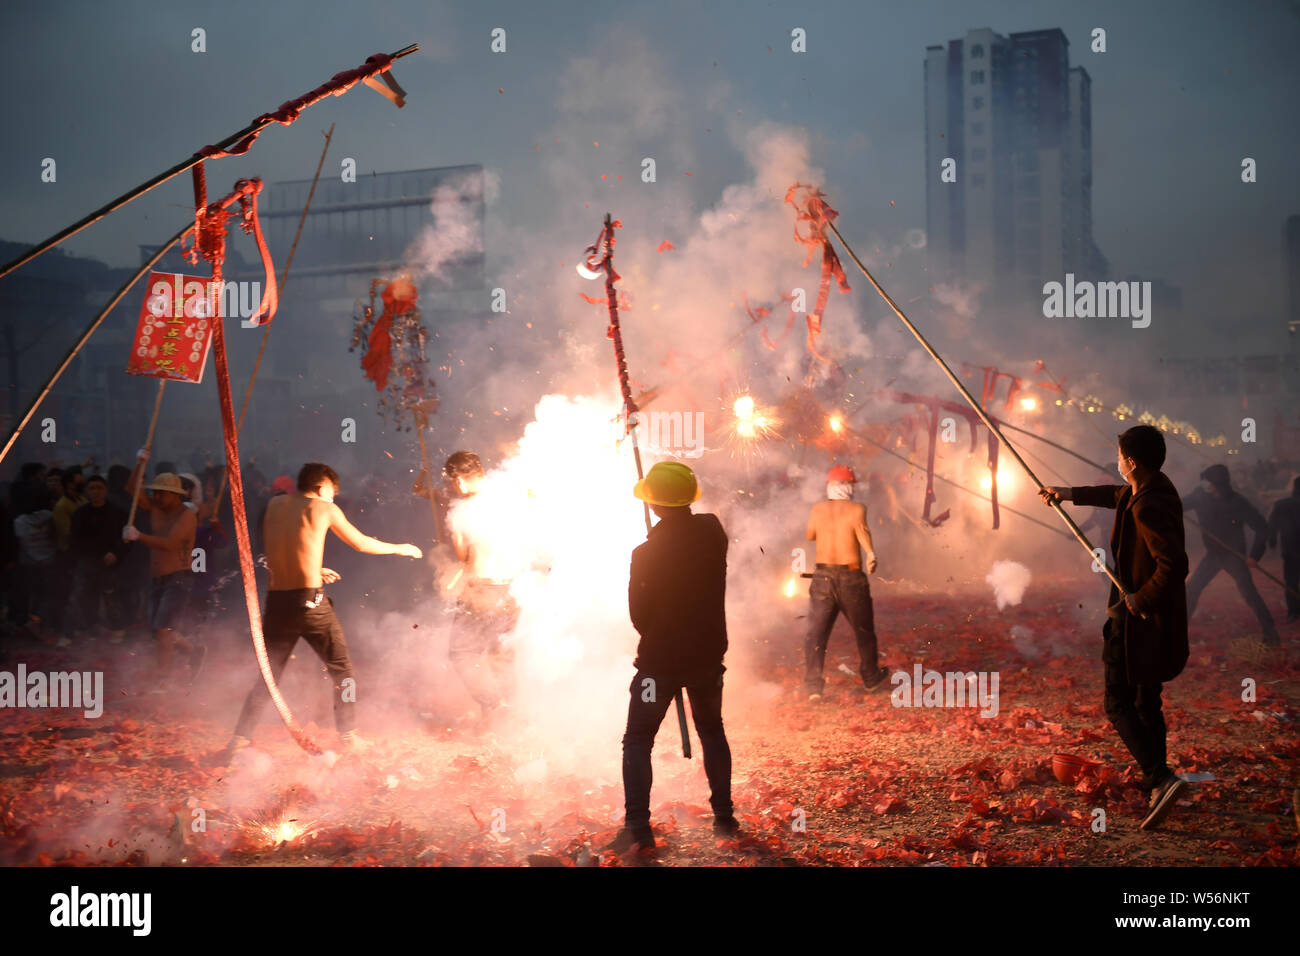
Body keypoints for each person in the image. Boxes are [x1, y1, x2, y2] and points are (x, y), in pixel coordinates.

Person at [1040, 425, 1189, 831]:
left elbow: (1174, 566)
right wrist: (1067, 495)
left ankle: (1159, 777)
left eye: (1120, 455)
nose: (1117, 461)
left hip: (1138, 621)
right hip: (1153, 623)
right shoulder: (1151, 489)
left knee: (1117, 702)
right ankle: (1156, 781)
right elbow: (1113, 495)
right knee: (1146, 701)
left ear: (1132, 462)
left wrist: (1139, 599)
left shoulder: (1147, 506)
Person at [221, 462, 422, 759]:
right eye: (332, 492)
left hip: (278, 601)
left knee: (269, 674)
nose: (333, 498)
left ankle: (238, 741)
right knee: (343, 672)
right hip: (310, 603)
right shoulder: (324, 508)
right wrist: (400, 547)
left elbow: (284, 549)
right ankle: (349, 738)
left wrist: (314, 569)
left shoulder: (275, 505)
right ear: (322, 487)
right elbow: (362, 543)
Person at [611, 461, 737, 853]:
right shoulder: (712, 532)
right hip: (705, 659)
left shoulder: (645, 553)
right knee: (712, 731)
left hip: (657, 667)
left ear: (652, 504)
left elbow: (639, 616)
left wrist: (657, 543)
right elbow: (691, 537)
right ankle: (724, 818)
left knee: (637, 739)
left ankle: (637, 827)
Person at [443, 451, 518, 723]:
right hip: (512, 589)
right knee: (501, 653)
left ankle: (494, 704)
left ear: (459, 481)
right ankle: (507, 716)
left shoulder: (462, 511)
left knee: (461, 652)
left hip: (481, 590)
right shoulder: (511, 497)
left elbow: (463, 556)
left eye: (453, 482)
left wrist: (456, 535)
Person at [803, 464, 887, 700]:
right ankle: (871, 678)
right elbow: (862, 531)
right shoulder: (857, 508)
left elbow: (810, 535)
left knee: (816, 635)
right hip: (851, 578)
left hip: (823, 578)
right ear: (847, 487)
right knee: (864, 632)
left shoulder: (817, 509)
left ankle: (813, 688)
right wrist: (871, 554)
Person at [124, 452, 204, 686]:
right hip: (158, 578)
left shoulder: (186, 516)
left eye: (162, 493)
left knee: (162, 629)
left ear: (175, 495)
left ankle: (163, 677)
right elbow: (131, 489)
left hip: (179, 578)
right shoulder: (156, 509)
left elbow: (170, 544)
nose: (157, 497)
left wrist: (138, 536)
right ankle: (194, 651)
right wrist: (140, 463)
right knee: (157, 630)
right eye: (155, 492)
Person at [1183, 464, 1278, 645]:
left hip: (1234, 556)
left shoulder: (1237, 502)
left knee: (1249, 593)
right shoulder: (1200, 497)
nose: (1204, 485)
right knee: (1192, 589)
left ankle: (1270, 633)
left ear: (1218, 484)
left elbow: (1262, 528)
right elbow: (1177, 505)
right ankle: (1179, 633)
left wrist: (1254, 556)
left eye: (1208, 483)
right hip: (1213, 555)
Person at [69, 475, 128, 641]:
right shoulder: (81, 514)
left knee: (112, 597)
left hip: (110, 563)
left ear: (106, 490)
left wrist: (116, 553)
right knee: (86, 597)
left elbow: (125, 539)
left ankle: (118, 629)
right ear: (87, 492)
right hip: (88, 563)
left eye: (99, 488)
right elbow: (76, 540)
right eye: (92, 488)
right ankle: (90, 627)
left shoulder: (117, 513)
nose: (96, 492)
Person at [1266, 475, 1300, 623]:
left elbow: (1273, 525)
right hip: (1291, 548)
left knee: (1291, 581)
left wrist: (1272, 541)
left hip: (1290, 549)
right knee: (1291, 581)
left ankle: (1293, 612)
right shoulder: (1282, 505)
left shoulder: (1281, 504)